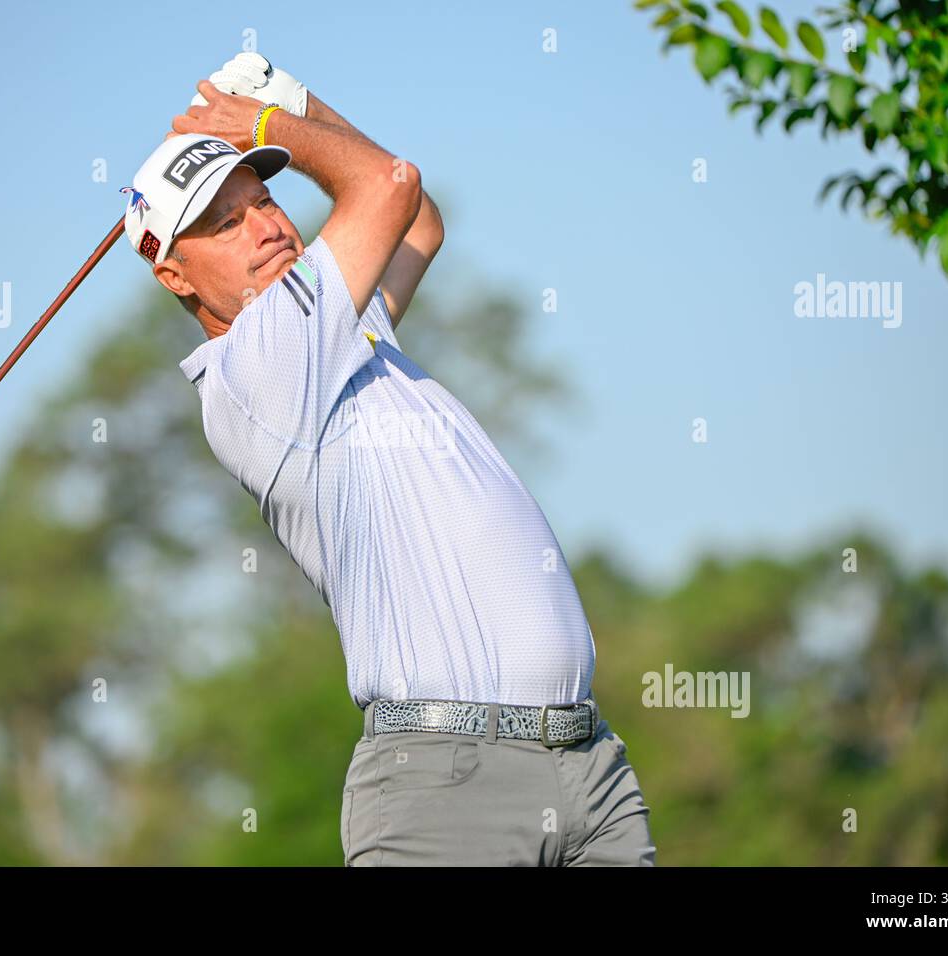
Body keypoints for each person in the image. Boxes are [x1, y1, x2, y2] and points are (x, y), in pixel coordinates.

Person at [122, 52, 655, 866]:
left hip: (589, 768)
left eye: (265, 199)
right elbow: (388, 187)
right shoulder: (259, 367)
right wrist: (266, 125)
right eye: (226, 224)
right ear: (173, 273)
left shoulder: (340, 330)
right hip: (444, 788)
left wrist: (290, 98)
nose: (269, 226)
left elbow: (420, 222)